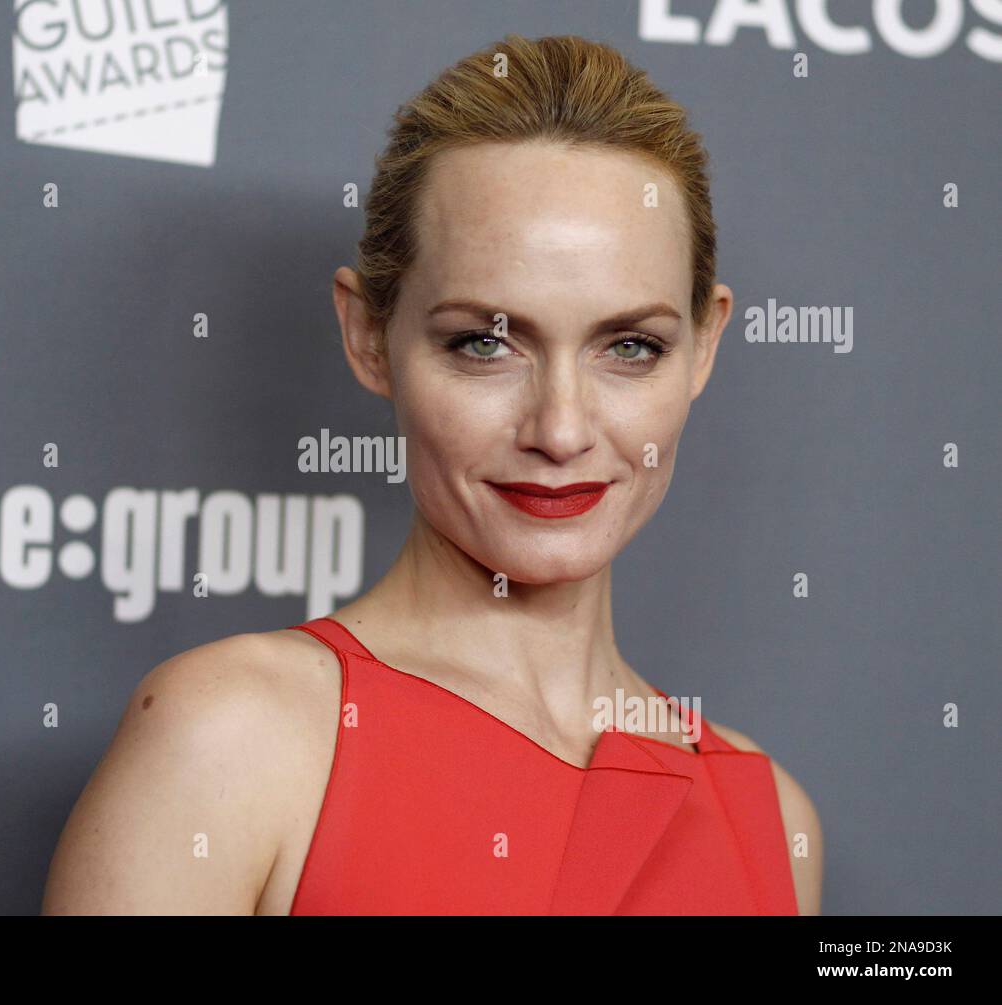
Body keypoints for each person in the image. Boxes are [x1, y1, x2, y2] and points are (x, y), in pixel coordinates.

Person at [40, 32, 823, 916]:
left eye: (630, 346)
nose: (561, 429)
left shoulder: (765, 815)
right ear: (369, 335)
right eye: (485, 343)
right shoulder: (233, 738)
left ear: (705, 345)